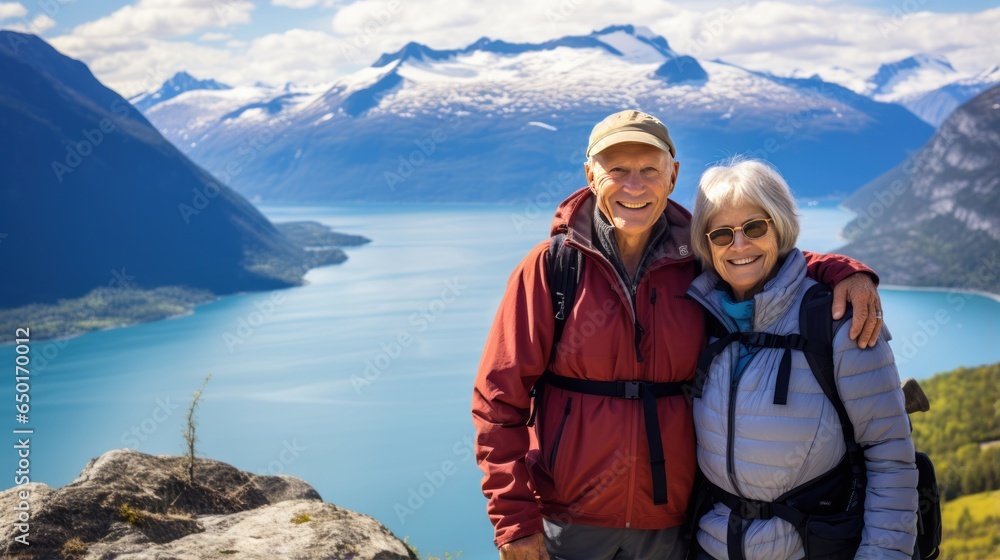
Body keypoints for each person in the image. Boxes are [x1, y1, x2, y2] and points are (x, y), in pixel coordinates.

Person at [472, 110, 884, 560]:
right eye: (617, 170)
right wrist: (513, 521)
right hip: (568, 521)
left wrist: (844, 270)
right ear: (590, 176)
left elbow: (766, 259)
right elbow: (498, 402)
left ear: (673, 176)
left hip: (671, 524)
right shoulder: (553, 267)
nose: (635, 186)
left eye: (650, 169)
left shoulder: (698, 260)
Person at [685, 158, 917, 559]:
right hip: (712, 547)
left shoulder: (838, 319)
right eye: (722, 234)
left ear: (779, 226)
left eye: (754, 228)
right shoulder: (699, 318)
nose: (739, 246)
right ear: (707, 246)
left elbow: (890, 457)